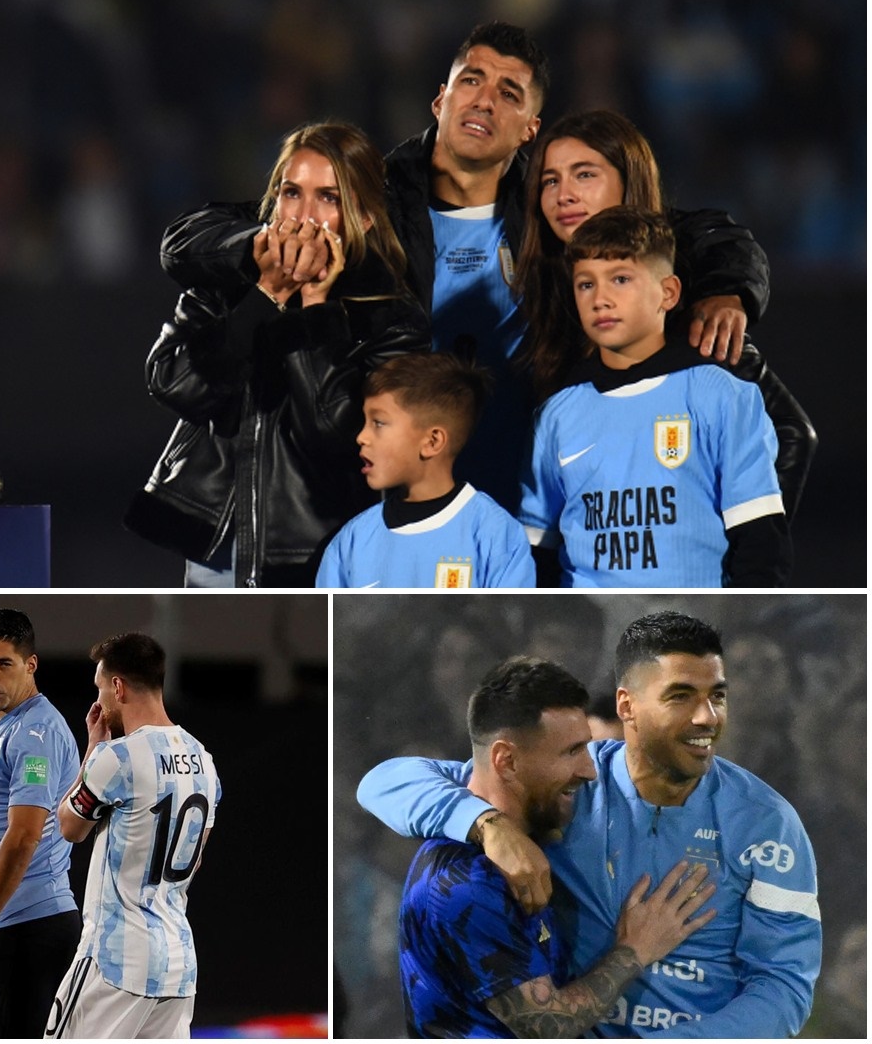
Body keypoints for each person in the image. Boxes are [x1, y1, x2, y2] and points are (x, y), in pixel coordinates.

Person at [152, 22, 773, 517]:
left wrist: (728, 287)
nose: (484, 98)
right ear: (440, 98)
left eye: (509, 92)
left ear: (530, 128)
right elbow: (191, 236)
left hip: (516, 500)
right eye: (471, 80)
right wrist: (265, 246)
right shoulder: (374, 197)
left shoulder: (553, 211)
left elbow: (685, 230)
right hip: (376, 500)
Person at [357, 610, 822, 1038]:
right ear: (627, 705)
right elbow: (386, 782)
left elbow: (783, 987)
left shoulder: (768, 824)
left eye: (717, 696)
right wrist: (487, 824)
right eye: (680, 696)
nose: (707, 717)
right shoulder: (566, 788)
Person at [124, 120, 430, 587]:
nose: (304, 216)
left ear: (364, 218)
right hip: (215, 547)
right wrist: (264, 294)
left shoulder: (393, 319)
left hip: (318, 554)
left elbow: (336, 436)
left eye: (328, 198)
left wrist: (314, 311)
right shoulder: (233, 282)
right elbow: (175, 383)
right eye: (292, 193)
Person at [515, 109, 816, 520]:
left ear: (629, 178)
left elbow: (791, 433)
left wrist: (736, 558)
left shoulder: (690, 291)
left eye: (585, 174)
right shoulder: (544, 288)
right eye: (551, 180)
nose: (564, 194)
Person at [400, 654, 717, 1038]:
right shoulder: (465, 884)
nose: (588, 770)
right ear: (507, 761)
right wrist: (636, 949)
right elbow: (549, 1027)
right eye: (571, 752)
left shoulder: (532, 841)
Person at [519, 206, 790, 587]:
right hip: (591, 628)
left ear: (668, 292)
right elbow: (538, 553)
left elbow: (760, 542)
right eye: (586, 284)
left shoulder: (721, 396)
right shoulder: (558, 415)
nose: (600, 299)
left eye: (620, 279)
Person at [45, 632, 220, 1039]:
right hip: (177, 965)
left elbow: (69, 827)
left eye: (101, 687)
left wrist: (93, 748)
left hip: (116, 960)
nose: (100, 699)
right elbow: (198, 853)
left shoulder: (118, 757)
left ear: (118, 686)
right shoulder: (204, 761)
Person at [0, 609, 82, 1039]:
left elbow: (25, 835)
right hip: (20, 923)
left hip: (31, 927)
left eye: (3, 663)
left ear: (31, 664)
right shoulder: (9, 727)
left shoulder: (35, 734)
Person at [315, 351, 534, 588]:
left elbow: (514, 623)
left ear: (432, 442)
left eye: (378, 423)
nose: (361, 437)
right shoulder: (352, 541)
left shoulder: (497, 536)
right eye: (364, 422)